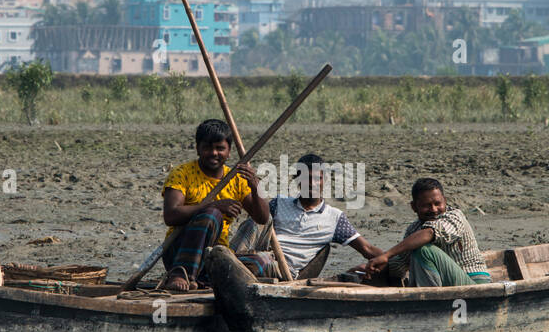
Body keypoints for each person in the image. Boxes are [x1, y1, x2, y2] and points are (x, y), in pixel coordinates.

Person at [230, 153, 383, 278]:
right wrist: (255, 186)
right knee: (257, 220)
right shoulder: (279, 203)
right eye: (306, 178)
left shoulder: (334, 218)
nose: (312, 184)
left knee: (259, 261)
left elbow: (367, 248)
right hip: (259, 254)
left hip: (282, 270)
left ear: (325, 180)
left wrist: (391, 259)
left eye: (318, 178)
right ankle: (230, 258)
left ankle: (230, 262)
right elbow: (256, 227)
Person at [160, 119, 269, 291]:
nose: (214, 153)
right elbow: (171, 215)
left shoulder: (236, 178)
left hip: (215, 254)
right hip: (179, 253)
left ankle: (203, 280)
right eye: (207, 148)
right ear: (198, 148)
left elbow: (262, 218)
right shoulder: (182, 174)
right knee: (212, 214)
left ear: (229, 151)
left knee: (260, 262)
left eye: (220, 148)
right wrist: (214, 206)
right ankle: (183, 275)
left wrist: (255, 188)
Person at [352, 177, 491, 287]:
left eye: (438, 203)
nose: (434, 209)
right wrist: (370, 268)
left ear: (445, 201)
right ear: (414, 207)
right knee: (413, 254)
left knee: (424, 250)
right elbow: (399, 264)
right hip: (445, 284)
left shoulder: (455, 216)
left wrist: (386, 255)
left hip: (474, 283)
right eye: (426, 205)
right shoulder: (413, 230)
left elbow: (430, 233)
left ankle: (428, 299)